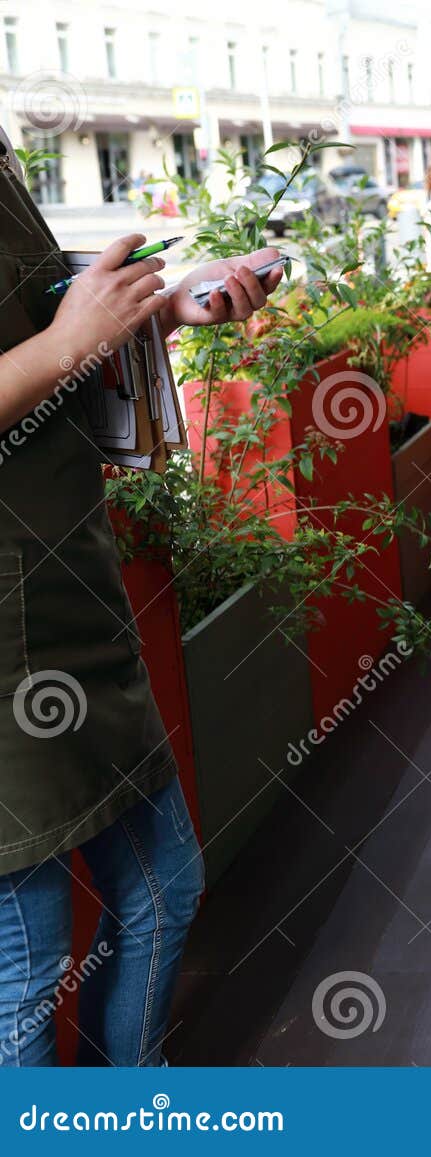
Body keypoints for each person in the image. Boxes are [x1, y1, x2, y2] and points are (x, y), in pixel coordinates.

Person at [0, 122, 285, 1066]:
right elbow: (48, 350)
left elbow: (48, 338)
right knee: (28, 965)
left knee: (165, 883)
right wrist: (64, 344)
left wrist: (159, 310)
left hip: (67, 592)